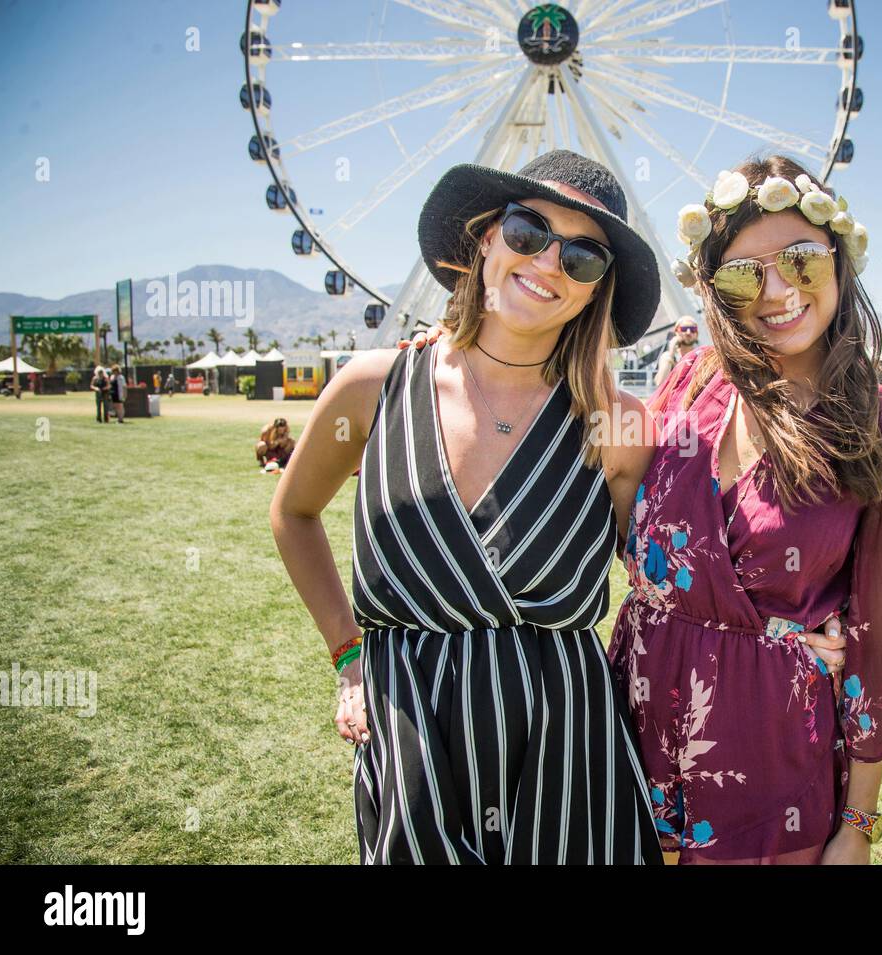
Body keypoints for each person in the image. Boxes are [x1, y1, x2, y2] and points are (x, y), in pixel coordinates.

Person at [270, 149, 666, 864]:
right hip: (414, 734)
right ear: (486, 237)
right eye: (528, 230)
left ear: (596, 290)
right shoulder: (372, 388)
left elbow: (671, 581)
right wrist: (347, 653)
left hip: (566, 746)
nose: (549, 262)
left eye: (583, 257)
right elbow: (292, 514)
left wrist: (796, 632)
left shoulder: (619, 424)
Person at [609, 155, 882, 864]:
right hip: (626, 739)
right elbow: (623, 529)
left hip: (767, 763)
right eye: (742, 274)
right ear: (713, 291)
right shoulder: (686, 385)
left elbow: (879, 648)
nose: (776, 290)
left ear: (839, 261)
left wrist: (857, 828)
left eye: (801, 260)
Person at [653, 316, 700, 387]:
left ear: (697, 334)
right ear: (676, 332)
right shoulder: (668, 357)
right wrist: (671, 352)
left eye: (693, 329)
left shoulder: (701, 356)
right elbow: (660, 383)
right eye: (684, 329)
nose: (688, 332)